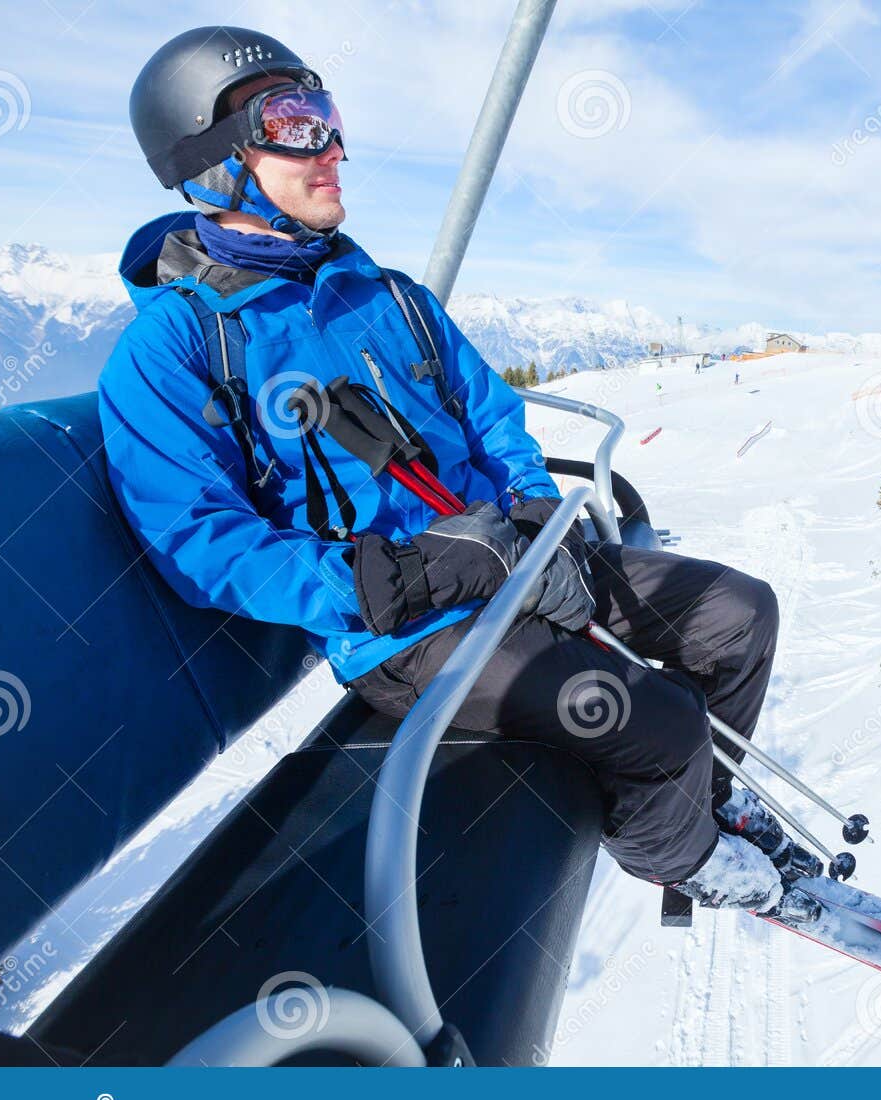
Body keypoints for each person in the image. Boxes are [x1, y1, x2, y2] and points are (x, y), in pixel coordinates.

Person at [102, 26, 807, 916]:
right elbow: (196, 540)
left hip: (514, 560)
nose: (333, 149)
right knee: (658, 714)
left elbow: (491, 414)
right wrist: (406, 573)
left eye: (327, 115)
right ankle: (676, 850)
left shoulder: (392, 296)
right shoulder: (175, 346)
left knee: (739, 617)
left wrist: (532, 513)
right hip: (403, 631)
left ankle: (703, 798)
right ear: (213, 159)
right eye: (295, 121)